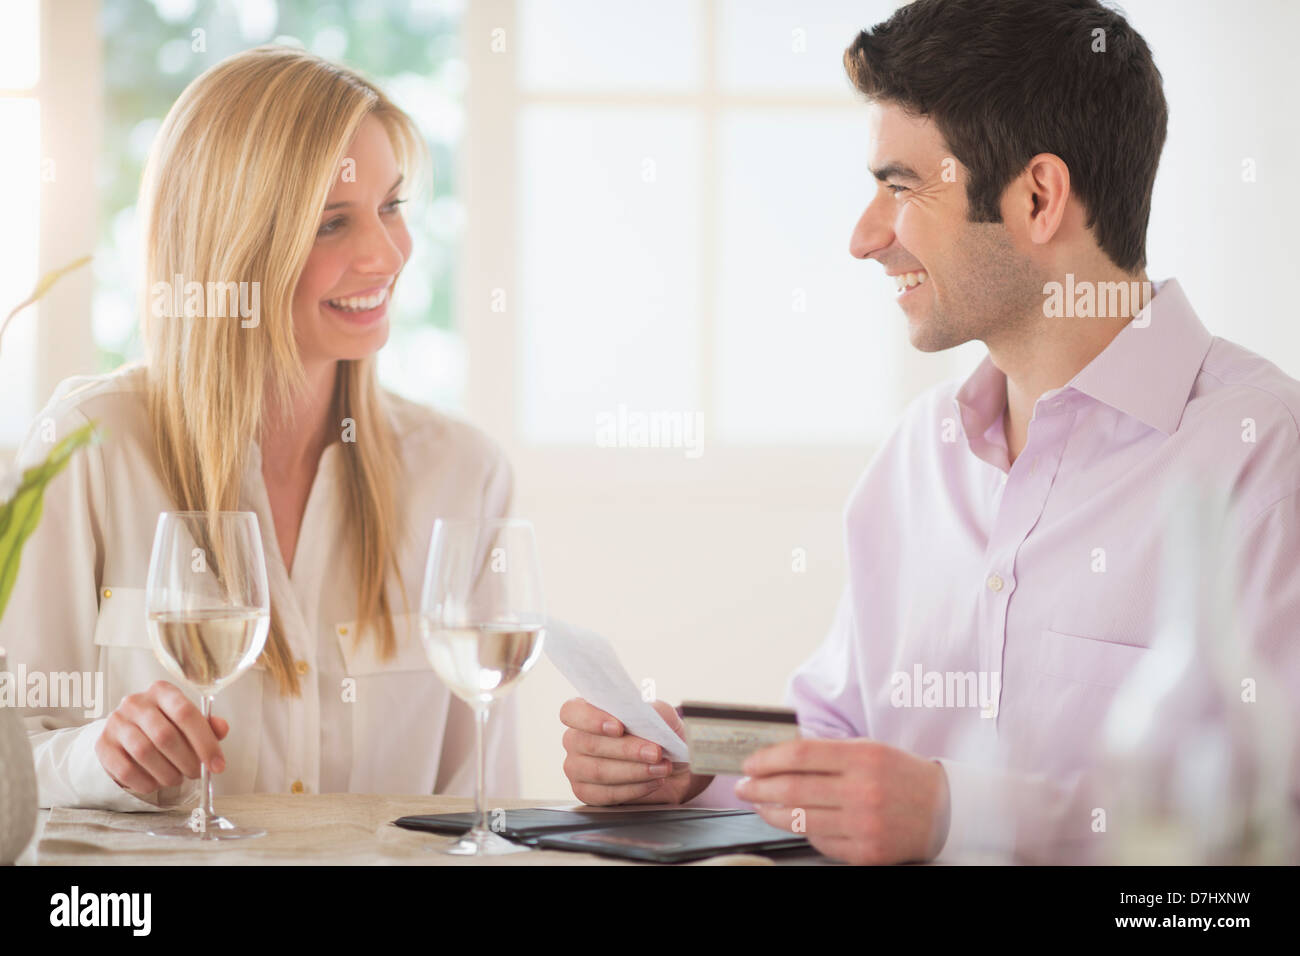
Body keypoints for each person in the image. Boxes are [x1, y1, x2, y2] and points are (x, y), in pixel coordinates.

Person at [559, 0, 1300, 864]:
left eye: (900, 185)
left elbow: (1271, 819)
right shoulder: (920, 452)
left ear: (1036, 197)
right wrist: (692, 766)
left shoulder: (1262, 454)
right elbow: (845, 731)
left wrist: (959, 814)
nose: (863, 237)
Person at [2, 46, 518, 810]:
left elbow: (483, 802)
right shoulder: (89, 449)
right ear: (232, 249)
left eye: (393, 207)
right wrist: (97, 757)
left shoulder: (462, 474)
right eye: (331, 223)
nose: (386, 253)